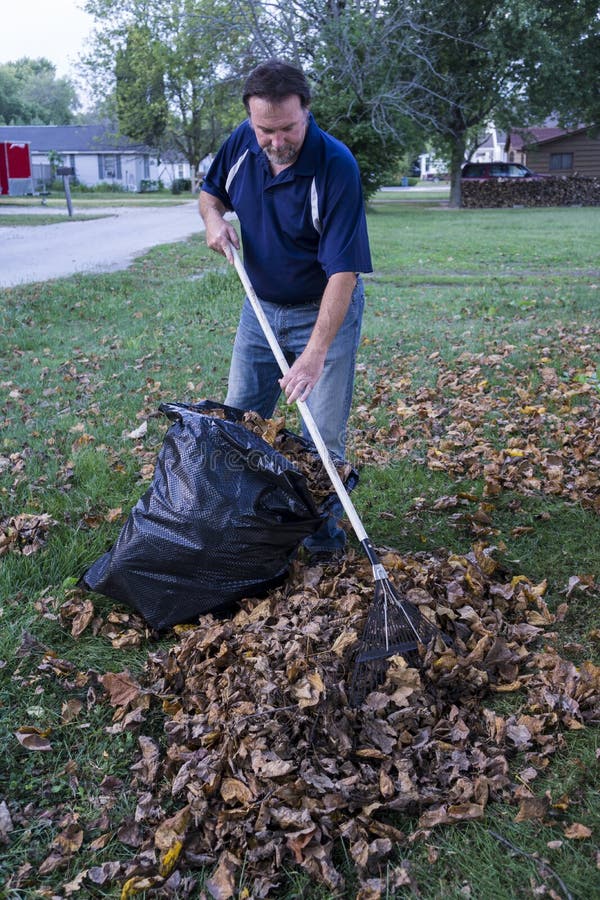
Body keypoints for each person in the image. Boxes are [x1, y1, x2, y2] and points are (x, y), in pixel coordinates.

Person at [199, 58, 372, 560]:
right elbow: (210, 196)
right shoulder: (241, 144)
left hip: (324, 309)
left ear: (307, 112)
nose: (275, 141)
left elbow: (343, 273)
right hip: (261, 308)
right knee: (239, 423)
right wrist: (214, 222)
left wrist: (314, 354)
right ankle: (244, 528)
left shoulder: (335, 166)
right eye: (265, 130)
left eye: (287, 128)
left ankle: (322, 543)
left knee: (321, 437)